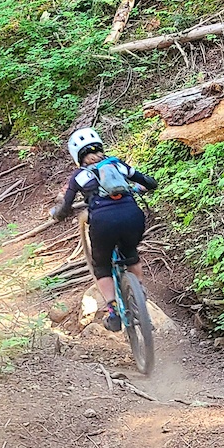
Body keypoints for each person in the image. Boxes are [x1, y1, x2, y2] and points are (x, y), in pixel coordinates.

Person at [50, 127, 158, 331]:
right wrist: (141, 187)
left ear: (77, 155)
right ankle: (140, 295)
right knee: (131, 253)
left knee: (101, 265)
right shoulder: (118, 165)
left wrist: (56, 214)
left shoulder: (79, 176)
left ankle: (113, 310)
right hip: (132, 216)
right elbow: (149, 182)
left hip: (103, 222)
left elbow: (65, 207)